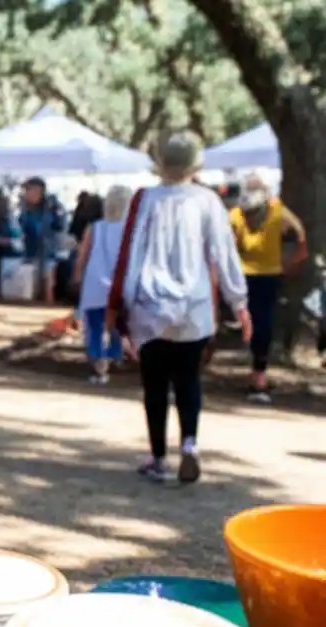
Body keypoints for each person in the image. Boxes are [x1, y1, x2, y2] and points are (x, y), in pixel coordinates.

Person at [108, 132, 250, 485]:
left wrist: (122, 306)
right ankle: (189, 443)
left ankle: (158, 457)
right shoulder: (207, 202)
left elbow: (131, 254)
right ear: (194, 165)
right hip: (194, 308)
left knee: (154, 385)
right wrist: (240, 303)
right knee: (188, 380)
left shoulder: (146, 200)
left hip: (151, 308)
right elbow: (224, 254)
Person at [230, 174, 307, 403]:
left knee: (243, 319)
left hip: (241, 277)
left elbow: (227, 247)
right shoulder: (278, 212)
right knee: (264, 321)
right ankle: (259, 376)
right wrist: (288, 265)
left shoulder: (235, 215)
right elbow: (301, 242)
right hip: (269, 275)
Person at [73, 185, 132, 384]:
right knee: (117, 324)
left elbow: (82, 256)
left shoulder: (95, 228)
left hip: (95, 285)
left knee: (96, 326)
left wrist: (78, 276)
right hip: (121, 286)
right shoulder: (132, 230)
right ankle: (115, 356)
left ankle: (98, 362)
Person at [18, 177, 68, 303]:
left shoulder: (52, 207)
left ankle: (48, 305)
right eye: (26, 190)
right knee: (31, 282)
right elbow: (22, 225)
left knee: (48, 278)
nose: (26, 193)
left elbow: (60, 226)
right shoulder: (25, 208)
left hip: (48, 249)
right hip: (31, 249)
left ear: (38, 190)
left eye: (29, 190)